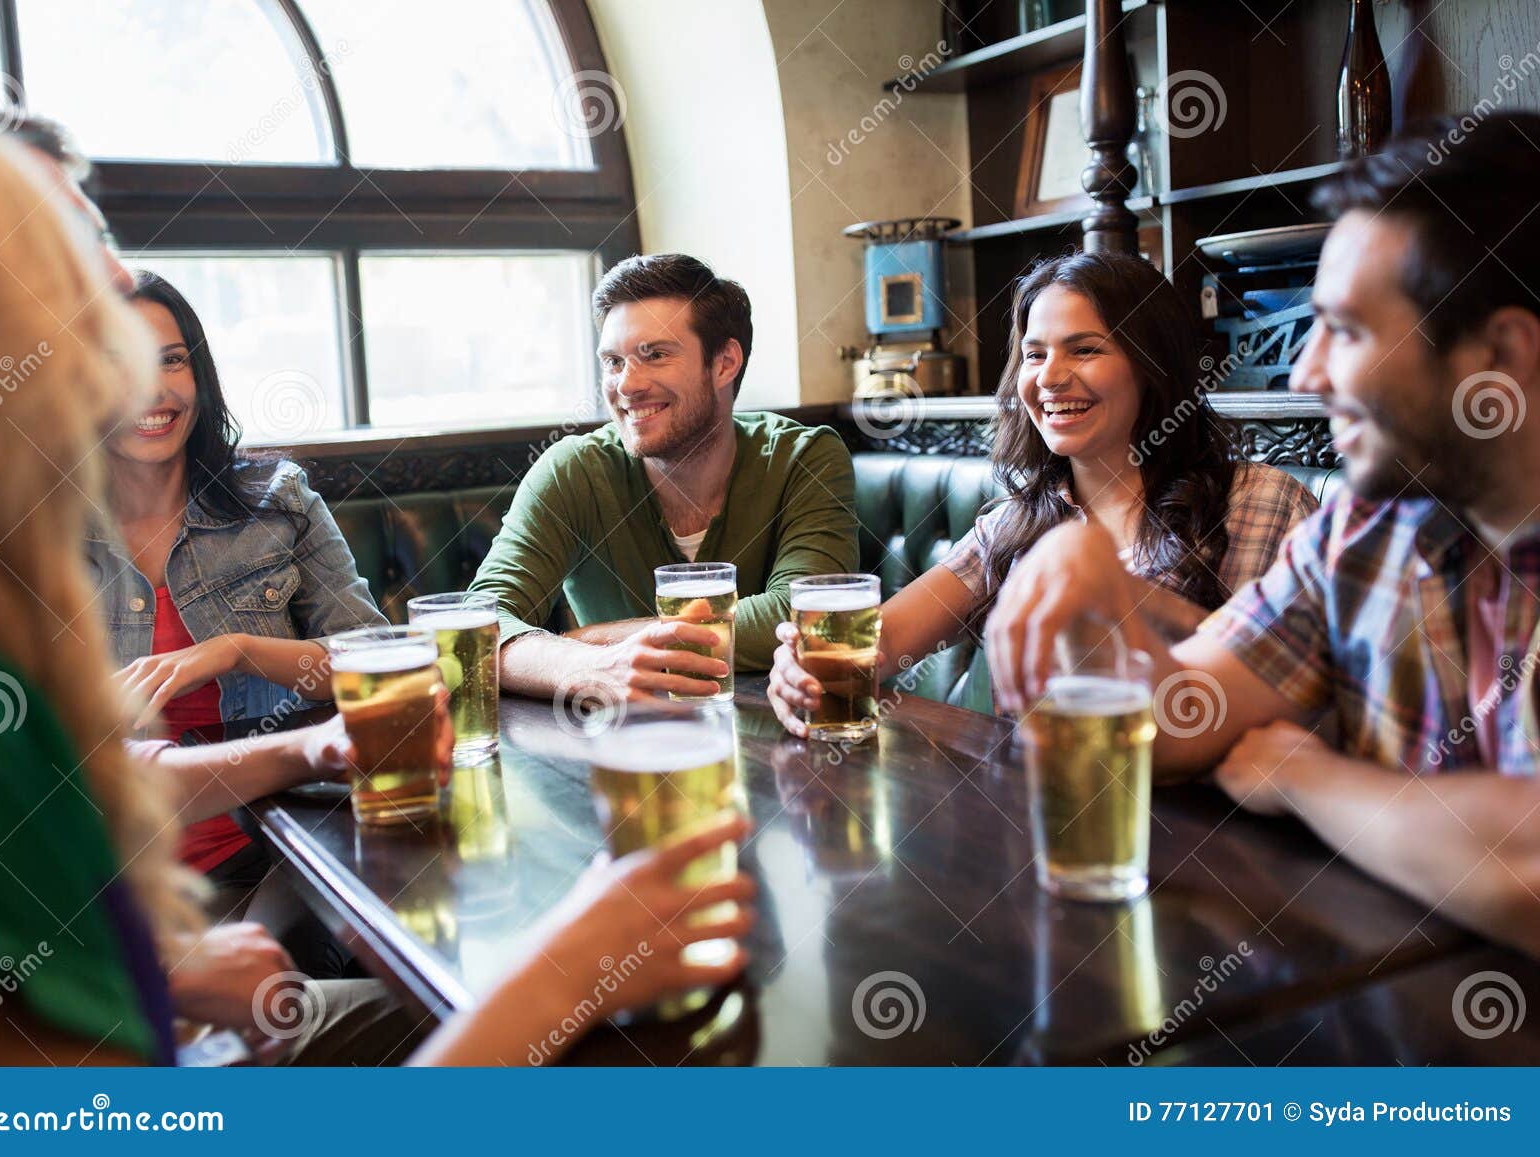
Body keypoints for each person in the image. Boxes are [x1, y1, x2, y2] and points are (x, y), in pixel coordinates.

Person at [0, 114, 755, 1066]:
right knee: (604, 1045)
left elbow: (91, 796)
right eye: (70, 244)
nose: (122, 280)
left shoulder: (2, 586)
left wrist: (155, 970)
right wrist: (569, 967)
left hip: (206, 928)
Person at [983, 112, 1540, 961]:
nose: (1306, 371)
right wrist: (1082, 583)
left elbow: (1525, 869)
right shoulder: (1363, 531)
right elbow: (1177, 721)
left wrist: (1305, 774)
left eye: (1345, 330)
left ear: (1500, 351)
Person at [767, 251, 1316, 734]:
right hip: (1037, 810)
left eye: (1084, 350)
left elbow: (1289, 680)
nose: (1049, 378)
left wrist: (1123, 597)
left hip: (1200, 826)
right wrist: (806, 667)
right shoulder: (1018, 521)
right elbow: (883, 643)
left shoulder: (1258, 501)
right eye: (1034, 354)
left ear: (1154, 366)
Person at [88, 269, 383, 931]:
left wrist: (238, 651)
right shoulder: (36, 533)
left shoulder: (277, 499)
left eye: (173, 361)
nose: (154, 391)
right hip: (106, 885)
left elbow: (378, 663)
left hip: (274, 855)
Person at [472, 253, 859, 701]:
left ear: (724, 363)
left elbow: (808, 618)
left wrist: (592, 638)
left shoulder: (804, 458)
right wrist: (586, 665)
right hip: (616, 747)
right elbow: (483, 623)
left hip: (779, 739)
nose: (627, 385)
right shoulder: (572, 470)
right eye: (613, 362)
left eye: (654, 355)